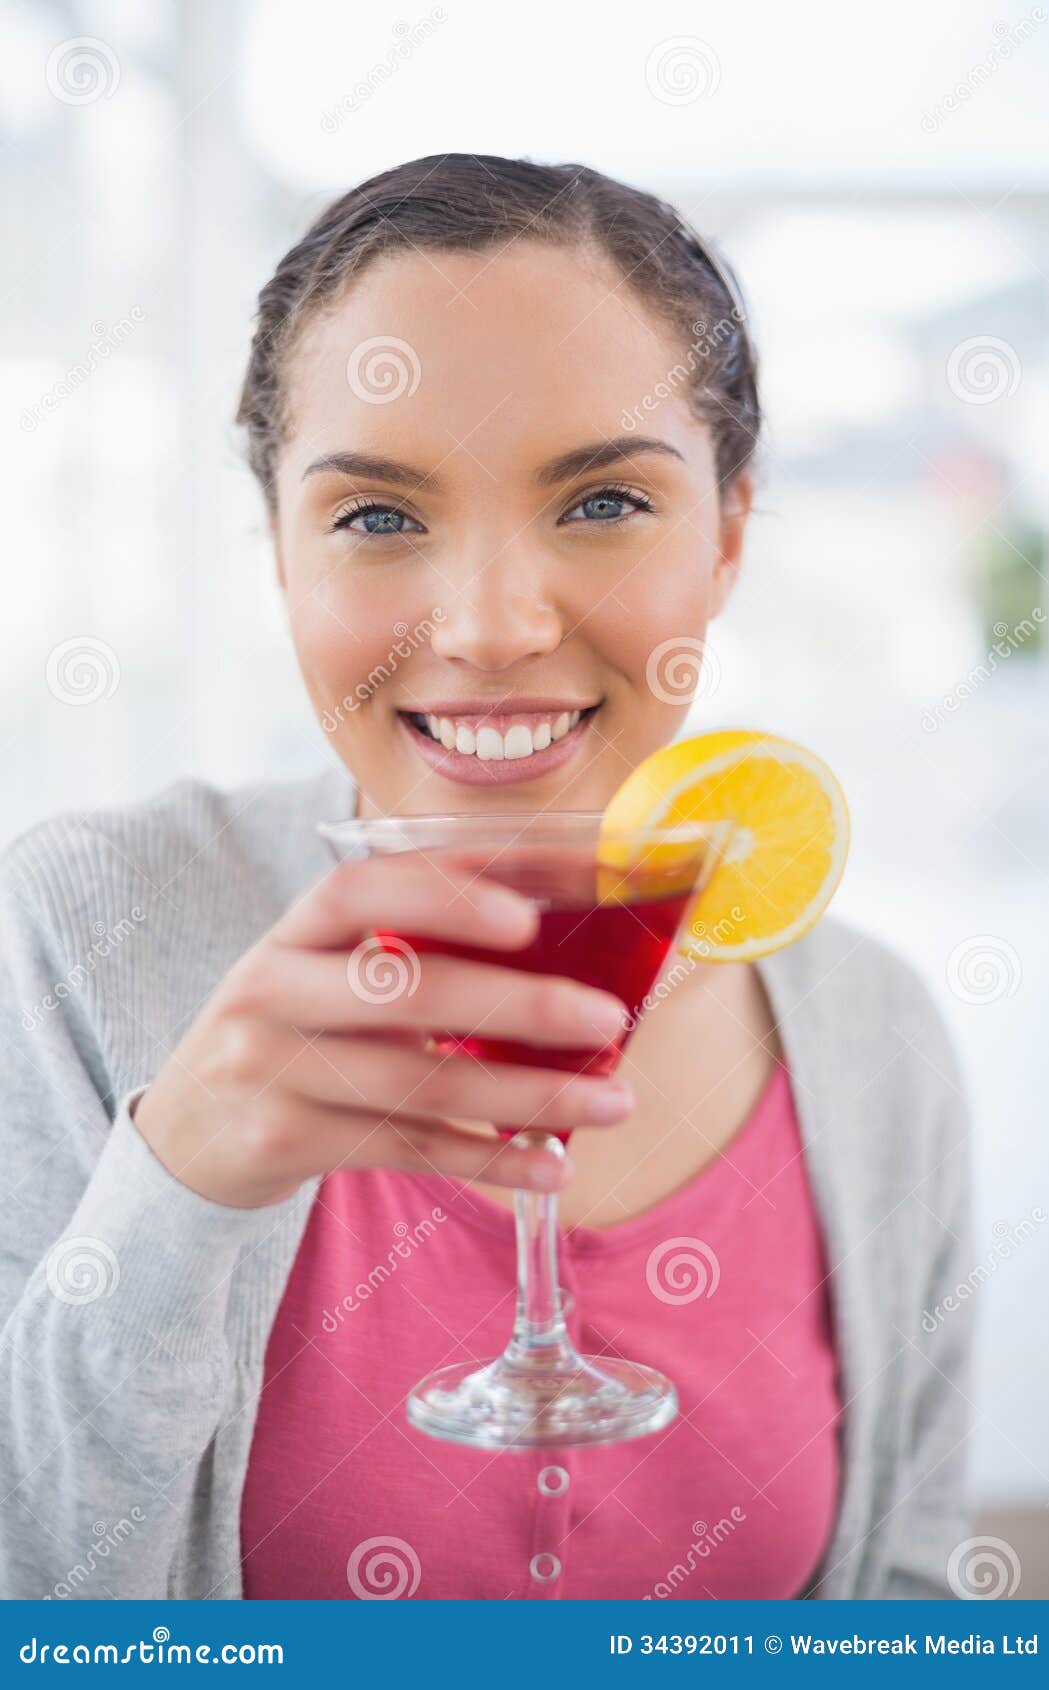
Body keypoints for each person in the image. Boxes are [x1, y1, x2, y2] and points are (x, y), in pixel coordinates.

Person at [0, 154, 974, 1601]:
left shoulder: (880, 1038)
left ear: (729, 537)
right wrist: (177, 1185)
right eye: (380, 519)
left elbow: (898, 1600)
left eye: (603, 502)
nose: (492, 624)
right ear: (279, 550)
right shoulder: (92, 927)